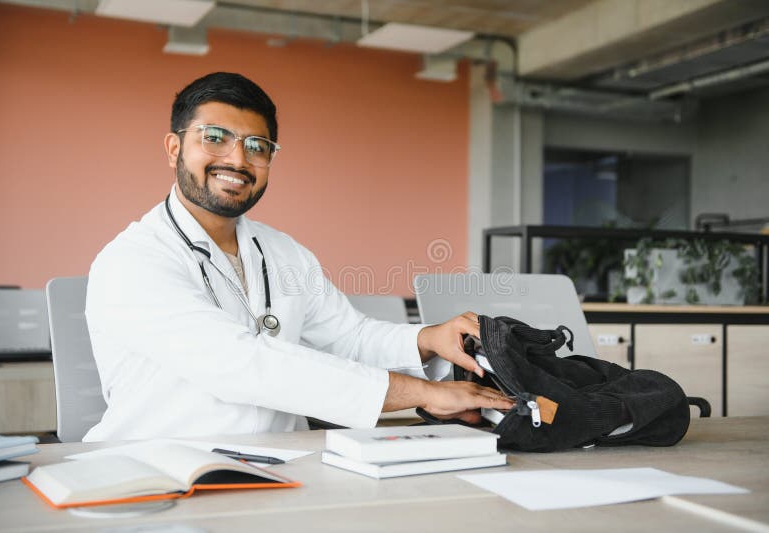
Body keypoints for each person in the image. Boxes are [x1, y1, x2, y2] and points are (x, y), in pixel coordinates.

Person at [84, 72, 512, 441]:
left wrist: (426, 339)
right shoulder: (132, 261)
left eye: (257, 146)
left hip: (285, 466)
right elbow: (242, 365)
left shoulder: (284, 252)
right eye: (215, 138)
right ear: (174, 149)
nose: (237, 159)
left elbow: (349, 338)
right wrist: (424, 393)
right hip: (159, 469)